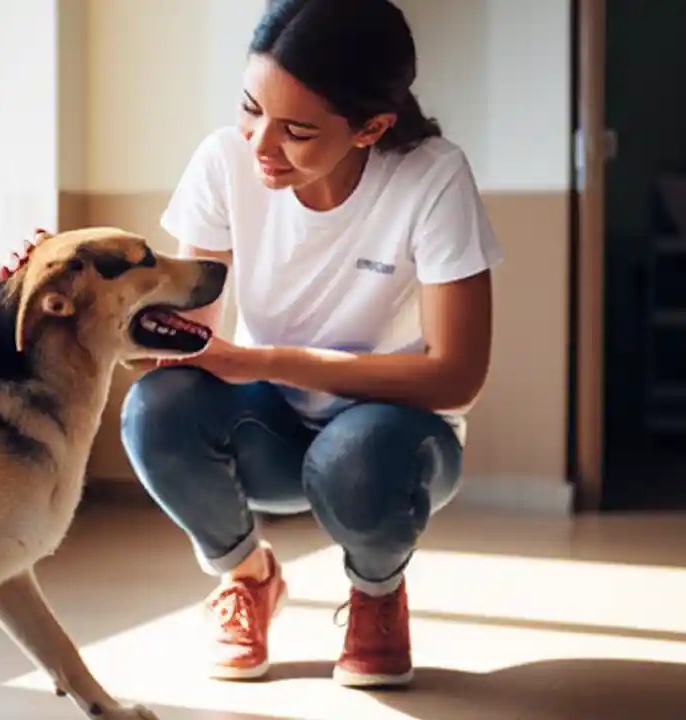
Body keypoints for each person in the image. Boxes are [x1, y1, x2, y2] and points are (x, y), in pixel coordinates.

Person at [116, 0, 503, 689]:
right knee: (156, 406)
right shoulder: (224, 161)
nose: (261, 144)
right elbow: (186, 338)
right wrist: (66, 276)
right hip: (270, 428)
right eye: (250, 109)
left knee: (359, 457)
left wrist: (260, 359)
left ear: (370, 127)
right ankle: (248, 578)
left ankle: (377, 593)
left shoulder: (432, 176)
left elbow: (456, 376)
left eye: (295, 130)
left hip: (392, 439)